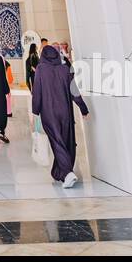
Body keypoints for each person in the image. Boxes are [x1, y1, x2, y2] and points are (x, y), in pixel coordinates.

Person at [30, 45, 89, 186]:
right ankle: (58, 173)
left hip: (49, 113)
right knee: (66, 140)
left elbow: (37, 92)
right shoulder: (64, 70)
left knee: (57, 142)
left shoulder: (41, 69)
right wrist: (84, 109)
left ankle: (68, 173)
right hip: (65, 113)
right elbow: (74, 92)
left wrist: (35, 111)